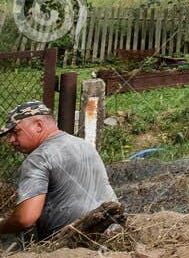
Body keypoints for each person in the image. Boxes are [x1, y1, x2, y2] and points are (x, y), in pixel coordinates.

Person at [0, 101, 118, 246]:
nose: (11, 140)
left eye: (16, 132)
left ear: (38, 125)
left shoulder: (38, 158)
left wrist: (2, 226)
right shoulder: (84, 145)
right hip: (114, 234)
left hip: (76, 245)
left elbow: (25, 218)